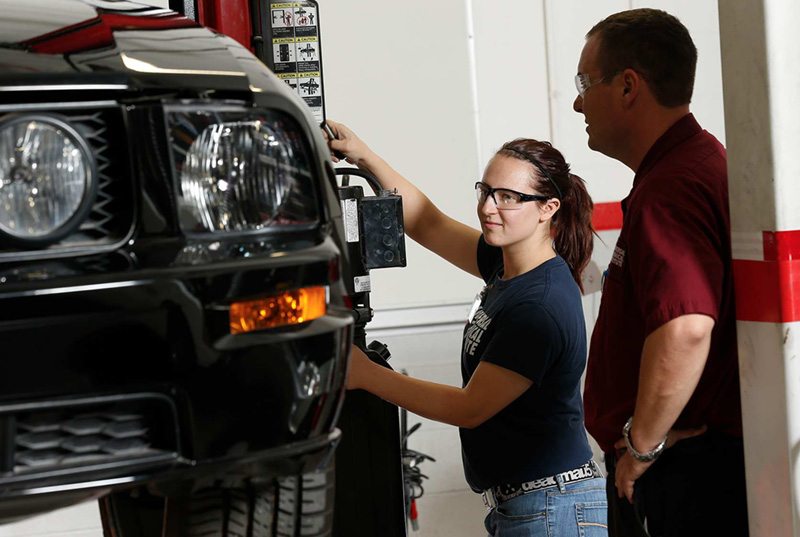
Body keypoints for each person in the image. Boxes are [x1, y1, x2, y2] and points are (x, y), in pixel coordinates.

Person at [326, 120, 608, 536]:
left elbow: (468, 408)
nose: (488, 207)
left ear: (549, 208)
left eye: (509, 197)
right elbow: (428, 223)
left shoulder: (538, 306)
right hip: (529, 504)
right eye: (486, 191)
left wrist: (367, 375)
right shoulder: (506, 264)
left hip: (554, 510)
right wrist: (362, 153)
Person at [573, 8, 747, 537]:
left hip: (682, 474)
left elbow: (687, 326)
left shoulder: (671, 189)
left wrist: (642, 447)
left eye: (585, 82)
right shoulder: (696, 164)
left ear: (629, 86)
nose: (578, 101)